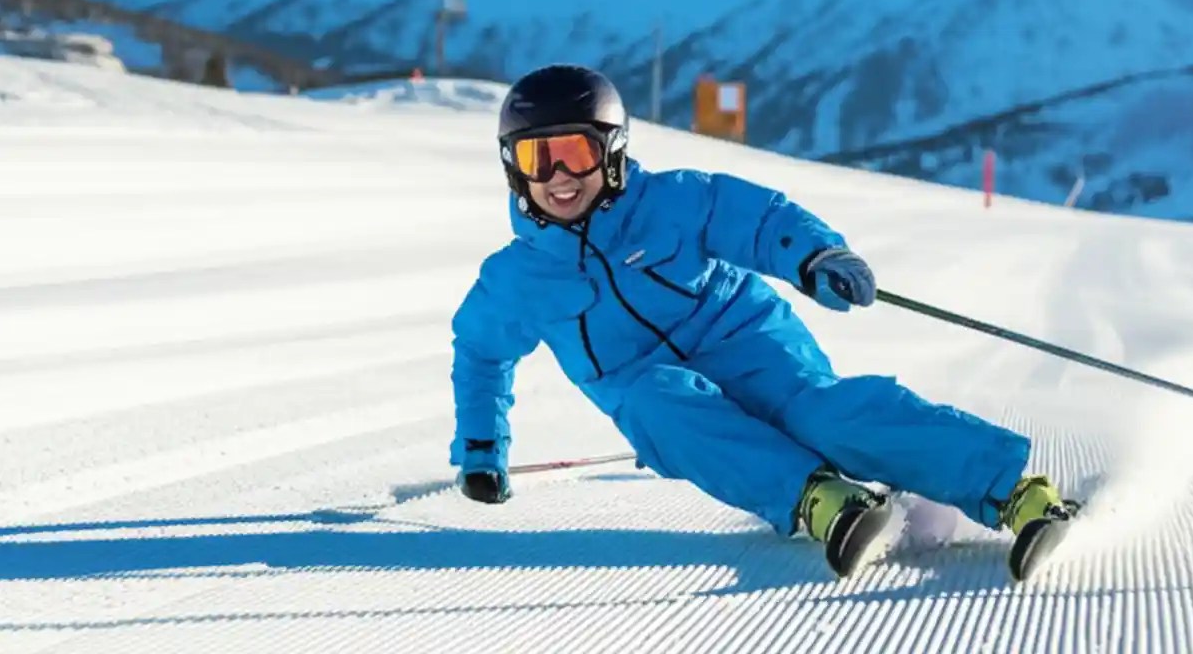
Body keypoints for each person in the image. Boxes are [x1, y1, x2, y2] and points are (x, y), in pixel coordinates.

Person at [448, 63, 1073, 577]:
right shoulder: (514, 278)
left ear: (610, 153)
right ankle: (821, 501)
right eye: (538, 158)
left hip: (747, 339)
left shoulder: (673, 200)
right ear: (513, 167)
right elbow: (480, 354)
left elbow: (758, 219)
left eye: (575, 153)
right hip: (657, 394)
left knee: (818, 414)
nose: (558, 177)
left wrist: (814, 254)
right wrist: (481, 447)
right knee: (650, 403)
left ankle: (1016, 492)